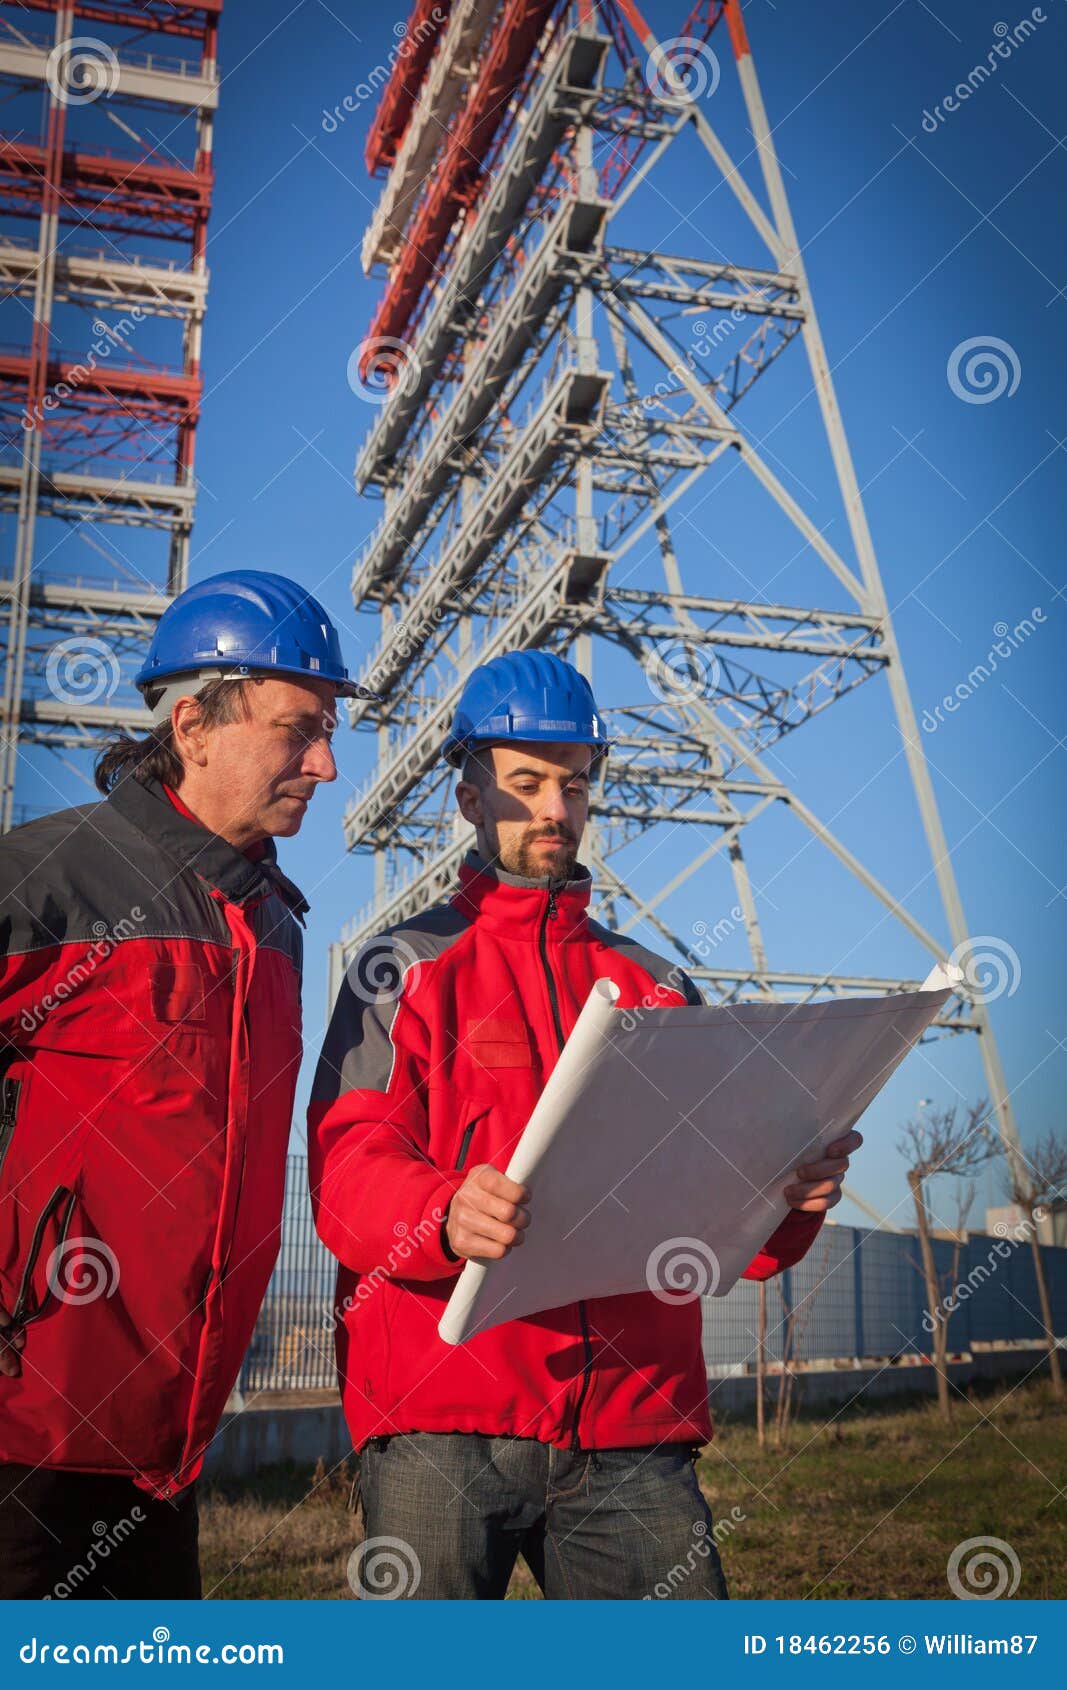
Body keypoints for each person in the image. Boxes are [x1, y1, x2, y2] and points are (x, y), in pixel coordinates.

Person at [310, 649, 861, 1601]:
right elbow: (347, 1167)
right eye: (525, 785)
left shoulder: (656, 985)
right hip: (442, 1413)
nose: (555, 812)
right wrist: (441, 1213)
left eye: (574, 785)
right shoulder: (399, 969)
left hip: (630, 1422)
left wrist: (785, 1195)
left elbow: (721, 1212)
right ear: (469, 796)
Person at [0, 568, 373, 1600]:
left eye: (329, 731)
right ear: (195, 724)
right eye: (298, 730)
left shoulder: (279, 927)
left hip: (167, 1448)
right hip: (23, 1437)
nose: (328, 764)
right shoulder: (51, 876)